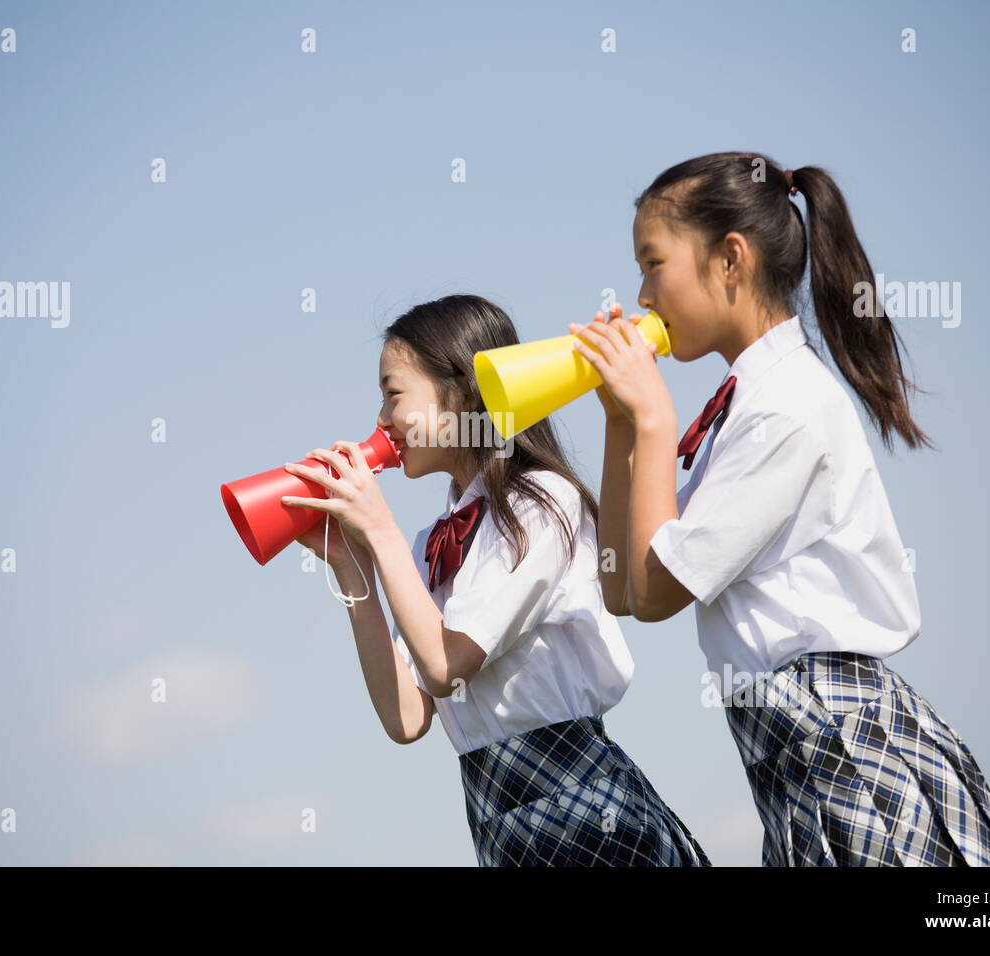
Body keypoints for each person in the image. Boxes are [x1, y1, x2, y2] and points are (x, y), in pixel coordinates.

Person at [569, 153, 990, 866]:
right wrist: (621, 425)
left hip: (843, 747)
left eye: (653, 263)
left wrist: (654, 422)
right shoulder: (746, 408)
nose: (642, 293)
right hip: (796, 760)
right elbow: (621, 587)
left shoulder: (784, 408)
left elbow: (658, 591)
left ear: (730, 260)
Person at [281, 293, 710, 867]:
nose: (382, 421)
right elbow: (406, 717)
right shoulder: (432, 543)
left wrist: (379, 530)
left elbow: (445, 663)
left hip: (585, 818)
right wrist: (350, 565)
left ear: (459, 391)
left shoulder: (542, 505)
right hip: (499, 827)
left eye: (393, 394)